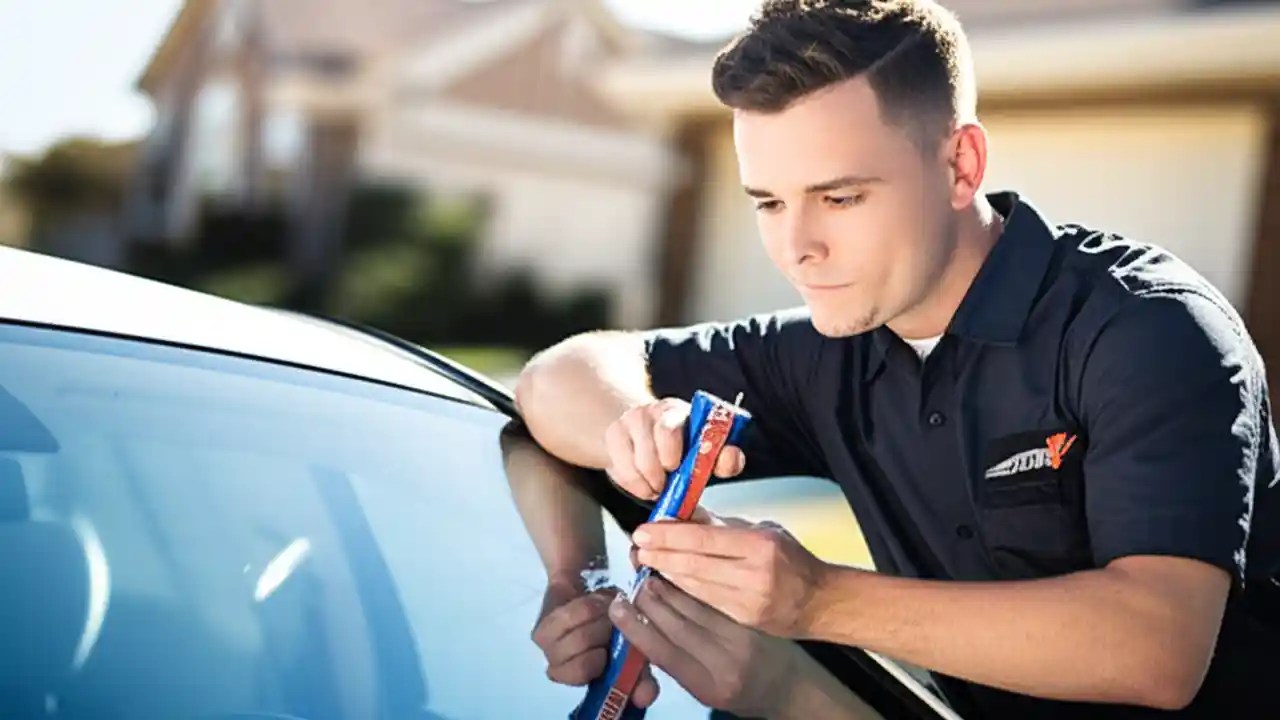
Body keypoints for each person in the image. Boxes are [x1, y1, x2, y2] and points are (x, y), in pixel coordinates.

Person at [515, 0, 1280, 717]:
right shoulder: (824, 352)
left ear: (960, 166)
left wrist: (819, 601)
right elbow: (555, 380)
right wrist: (626, 456)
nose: (798, 248)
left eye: (840, 198)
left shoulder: (1147, 328)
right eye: (769, 203)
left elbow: (1157, 648)